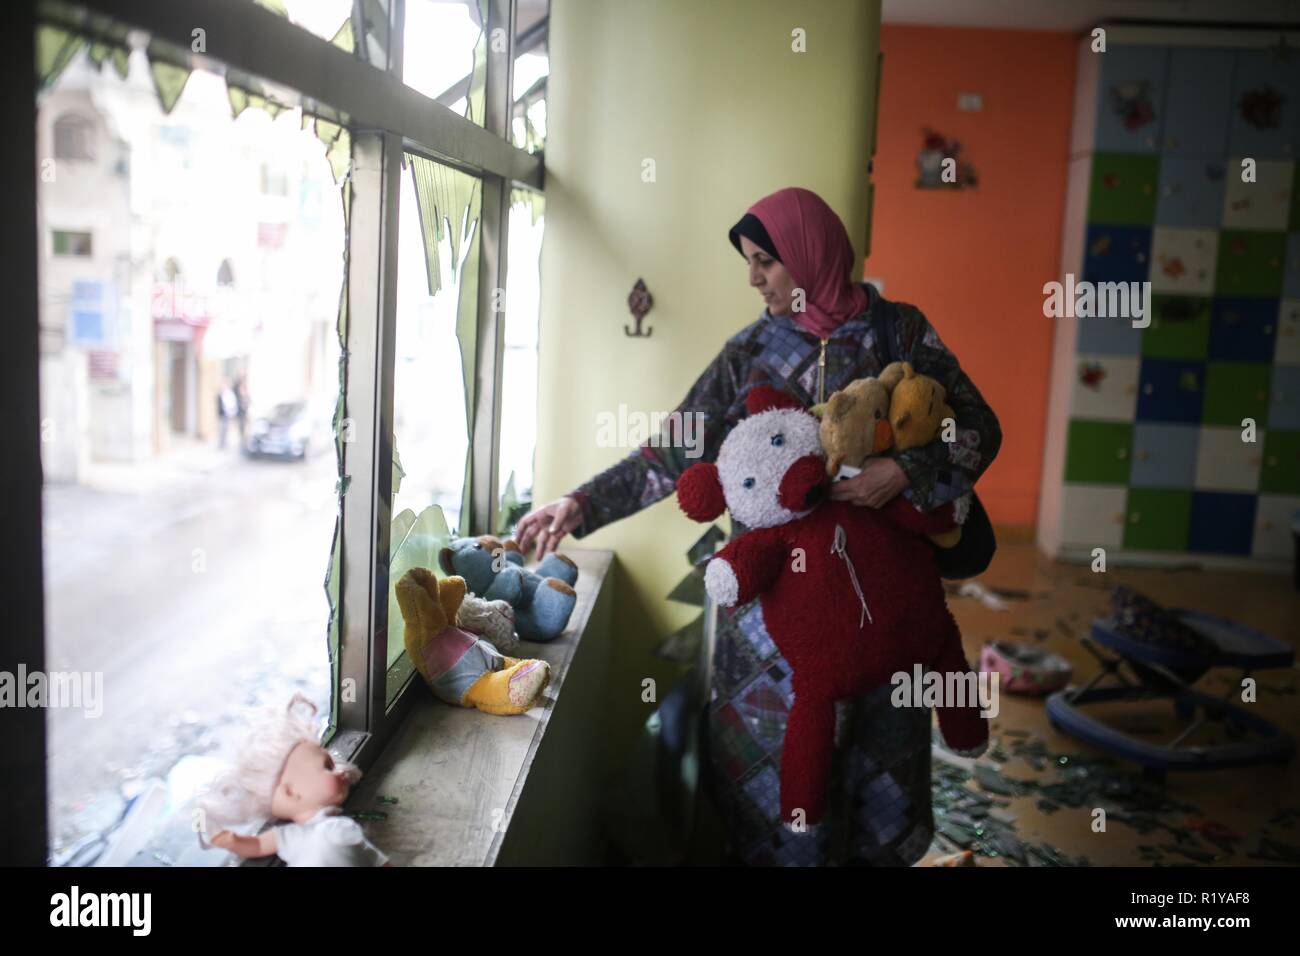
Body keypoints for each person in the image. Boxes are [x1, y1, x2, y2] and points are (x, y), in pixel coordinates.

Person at [514, 186, 1001, 866]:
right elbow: (673, 451)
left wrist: (904, 475)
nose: (754, 278)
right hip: (771, 623)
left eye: (766, 262)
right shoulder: (748, 353)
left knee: (875, 777)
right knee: (770, 795)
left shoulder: (901, 333)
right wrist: (579, 505)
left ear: (811, 255)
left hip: (880, 604)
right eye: (749, 262)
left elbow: (976, 427)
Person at [217, 380, 238, 450]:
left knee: (225, 429)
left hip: (227, 414)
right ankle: (221, 443)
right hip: (222, 414)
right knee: (221, 429)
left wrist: (231, 412)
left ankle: (224, 443)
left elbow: (231, 404)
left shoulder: (229, 394)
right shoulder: (221, 393)